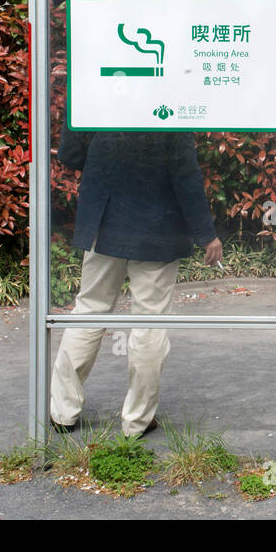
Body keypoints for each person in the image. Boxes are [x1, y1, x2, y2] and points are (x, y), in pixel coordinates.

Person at [50, 129, 223, 437]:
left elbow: (70, 155)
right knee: (149, 319)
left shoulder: (99, 93)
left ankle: (63, 411)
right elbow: (185, 175)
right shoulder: (169, 103)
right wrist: (205, 233)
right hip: (158, 228)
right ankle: (136, 421)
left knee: (90, 308)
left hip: (104, 221)